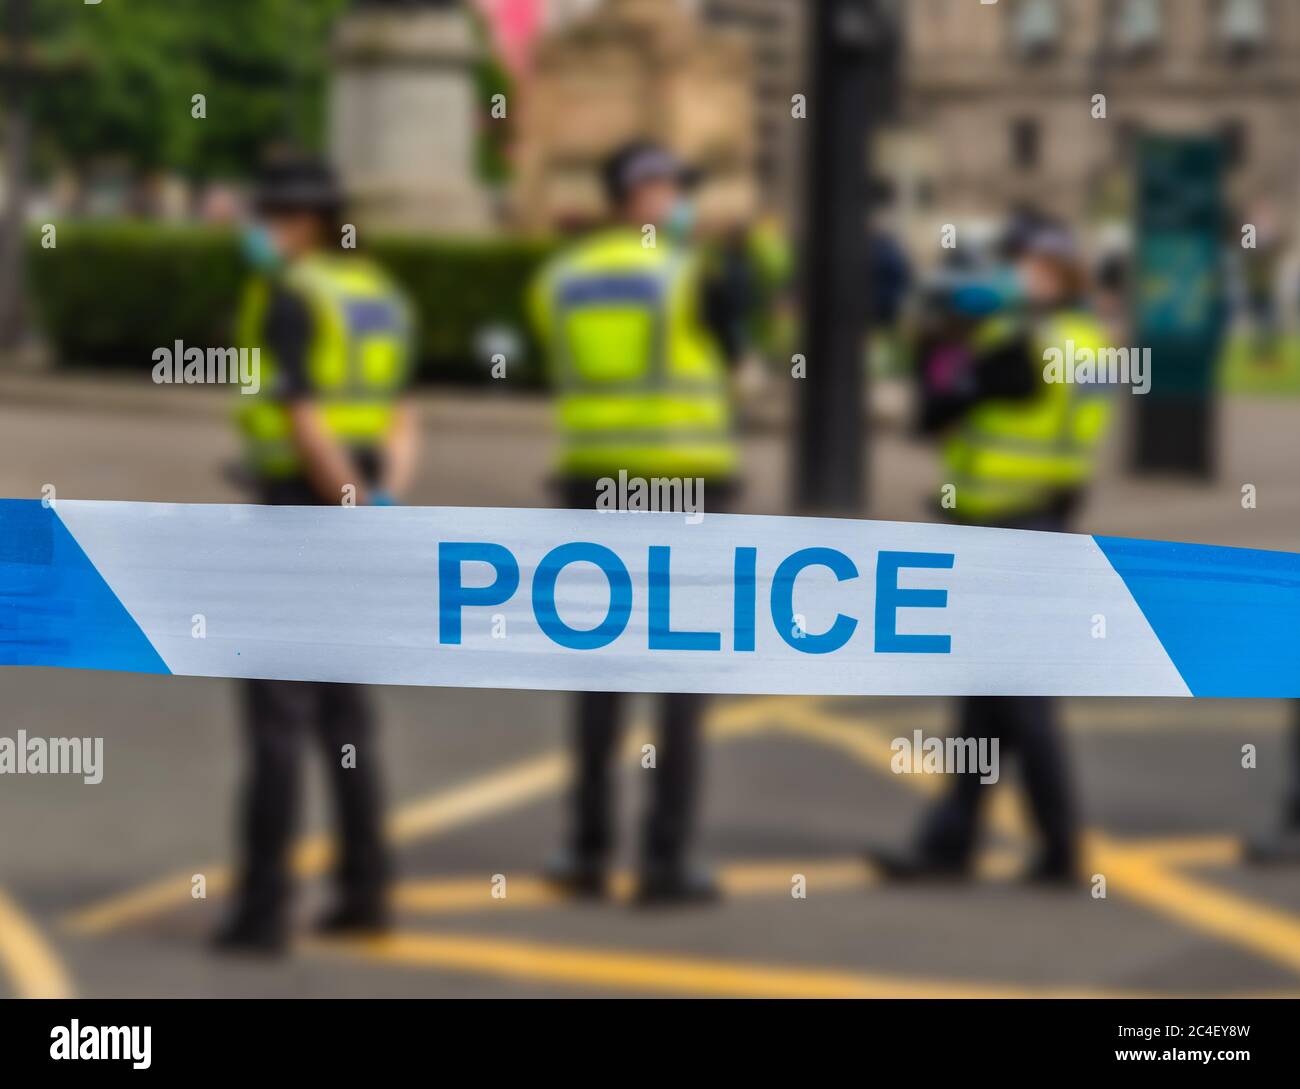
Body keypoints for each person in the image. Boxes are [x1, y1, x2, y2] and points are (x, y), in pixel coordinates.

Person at [214, 156, 419, 953]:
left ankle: (262, 911)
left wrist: (340, 499)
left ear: (298, 220)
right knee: (345, 715)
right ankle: (367, 890)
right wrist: (381, 497)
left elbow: (303, 416)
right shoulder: (376, 292)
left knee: (276, 720)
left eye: (266, 214)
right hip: (360, 507)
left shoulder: (291, 294)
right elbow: (404, 410)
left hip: (299, 511)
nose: (256, 230)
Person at [528, 141, 741, 905]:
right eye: (672, 189)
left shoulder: (563, 277)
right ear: (642, 194)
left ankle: (586, 850)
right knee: (680, 677)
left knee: (597, 673)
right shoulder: (687, 272)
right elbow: (733, 357)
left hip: (593, 483)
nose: (680, 203)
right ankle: (665, 859)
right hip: (684, 485)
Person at [869, 221, 1112, 886]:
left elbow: (940, 406)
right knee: (988, 701)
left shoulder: (1024, 342)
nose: (1012, 275)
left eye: (1026, 263)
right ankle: (952, 842)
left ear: (1056, 272)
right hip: (1039, 519)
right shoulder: (1087, 341)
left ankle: (1059, 847)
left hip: (1005, 528)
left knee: (1020, 702)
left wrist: (933, 344)